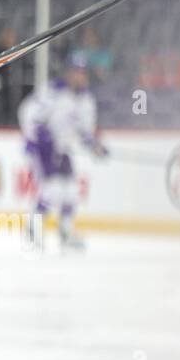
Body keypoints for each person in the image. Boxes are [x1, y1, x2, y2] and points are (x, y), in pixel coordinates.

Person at [18, 53, 108, 251]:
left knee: (70, 192)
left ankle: (65, 233)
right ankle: (34, 231)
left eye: (82, 72)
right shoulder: (53, 91)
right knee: (51, 190)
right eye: (75, 71)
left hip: (63, 149)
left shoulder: (86, 100)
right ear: (68, 73)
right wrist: (36, 137)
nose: (79, 76)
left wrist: (96, 146)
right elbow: (28, 112)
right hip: (44, 146)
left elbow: (85, 132)